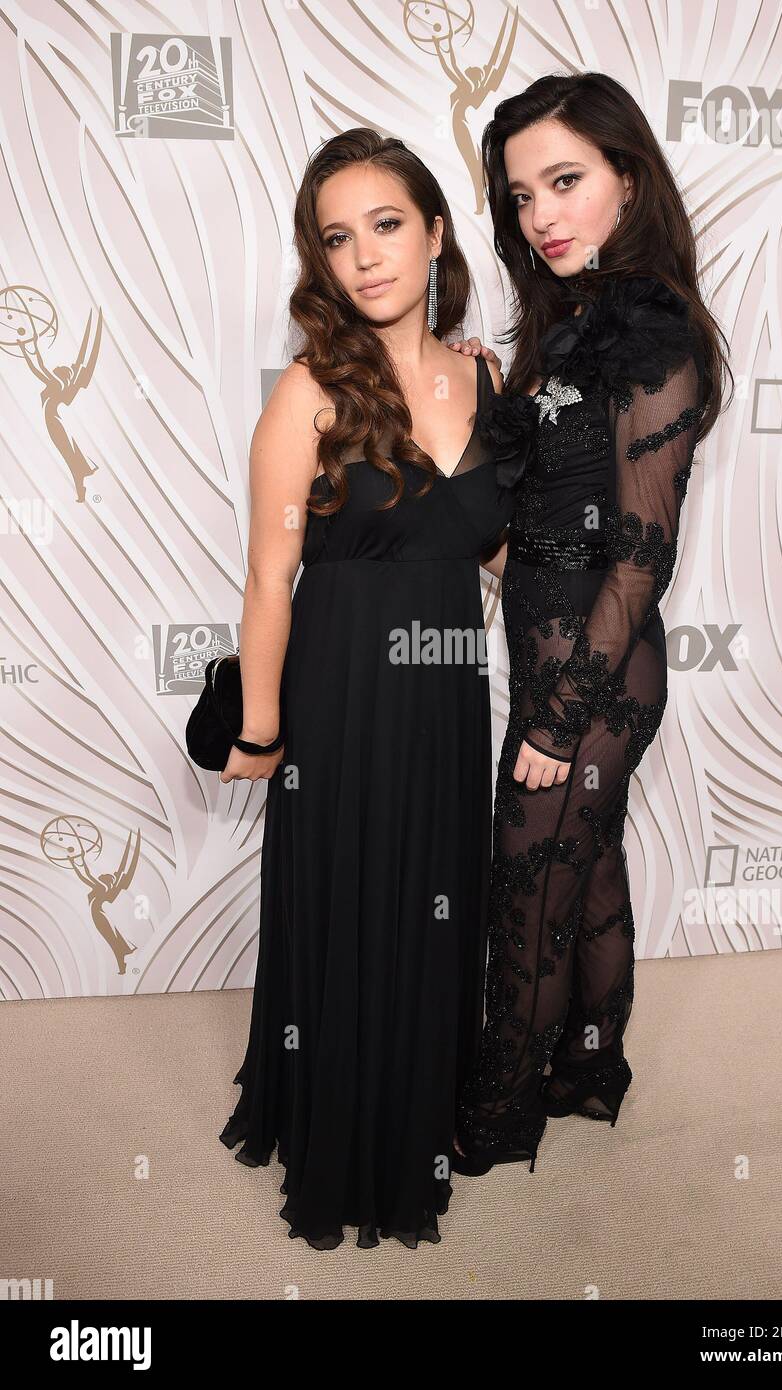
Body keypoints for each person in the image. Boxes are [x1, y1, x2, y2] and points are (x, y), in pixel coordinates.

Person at [217, 128, 513, 1247]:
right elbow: (268, 575)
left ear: (436, 232)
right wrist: (260, 723)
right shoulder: (310, 390)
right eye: (339, 239)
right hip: (341, 702)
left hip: (444, 698)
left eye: (387, 225)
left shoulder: (484, 377)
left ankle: (422, 1116)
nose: (367, 257)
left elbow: (483, 547)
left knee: (435, 897)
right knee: (352, 901)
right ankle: (342, 1126)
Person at [448, 73, 732, 1174]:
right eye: (521, 196)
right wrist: (490, 408)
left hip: (599, 680)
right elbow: (525, 542)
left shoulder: (655, 332)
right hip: (558, 657)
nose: (542, 214)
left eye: (565, 180)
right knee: (588, 869)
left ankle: (494, 1117)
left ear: (629, 176)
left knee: (527, 896)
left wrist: (559, 725)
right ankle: (589, 1067)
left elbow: (639, 555)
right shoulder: (566, 334)